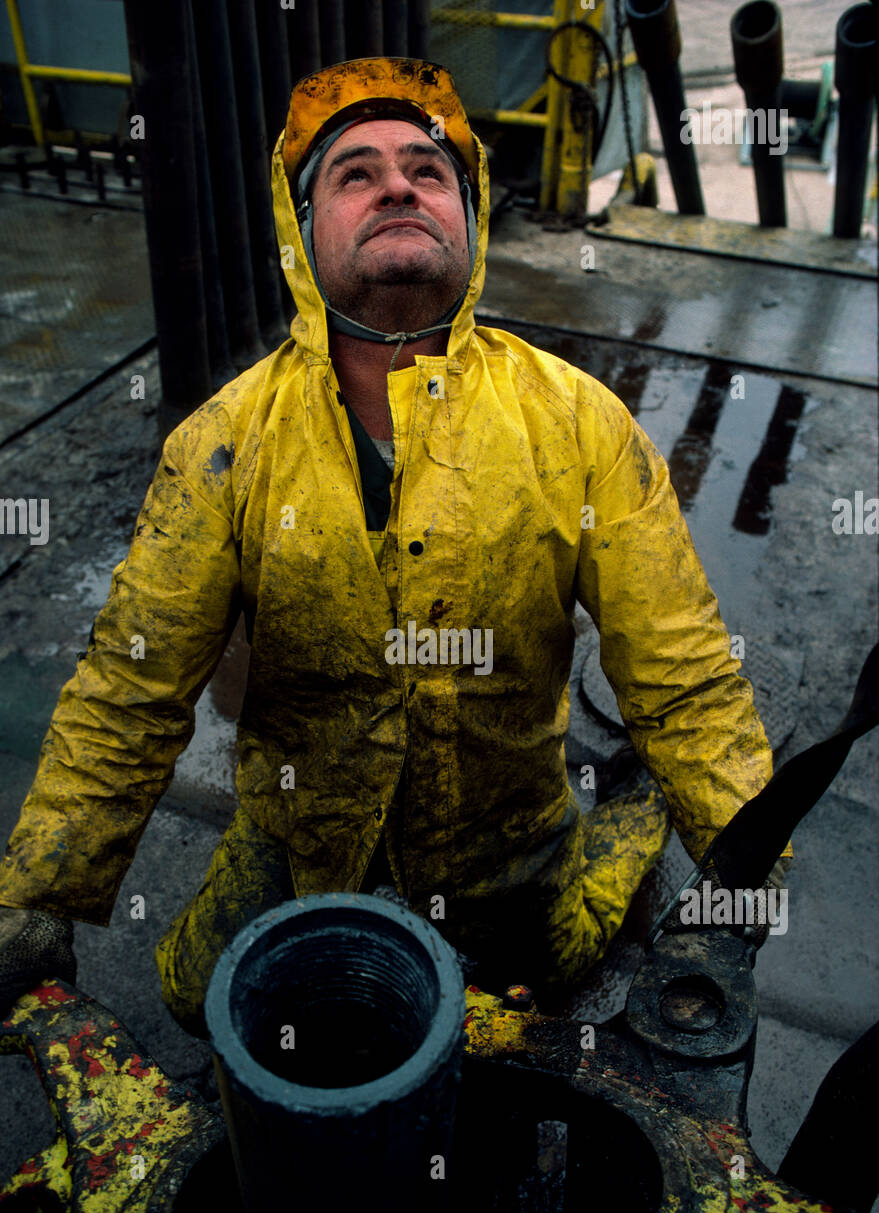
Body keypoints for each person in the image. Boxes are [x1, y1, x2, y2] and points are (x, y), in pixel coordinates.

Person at [0, 58, 788, 1037]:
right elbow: (130, 688)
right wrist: (38, 890)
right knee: (192, 993)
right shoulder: (223, 445)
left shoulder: (581, 424)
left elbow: (685, 679)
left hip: (506, 861)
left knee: (559, 974)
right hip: (301, 843)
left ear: (470, 217)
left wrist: (749, 867)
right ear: (302, 231)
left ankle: (624, 823)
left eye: (428, 168)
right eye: (354, 173)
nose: (398, 184)